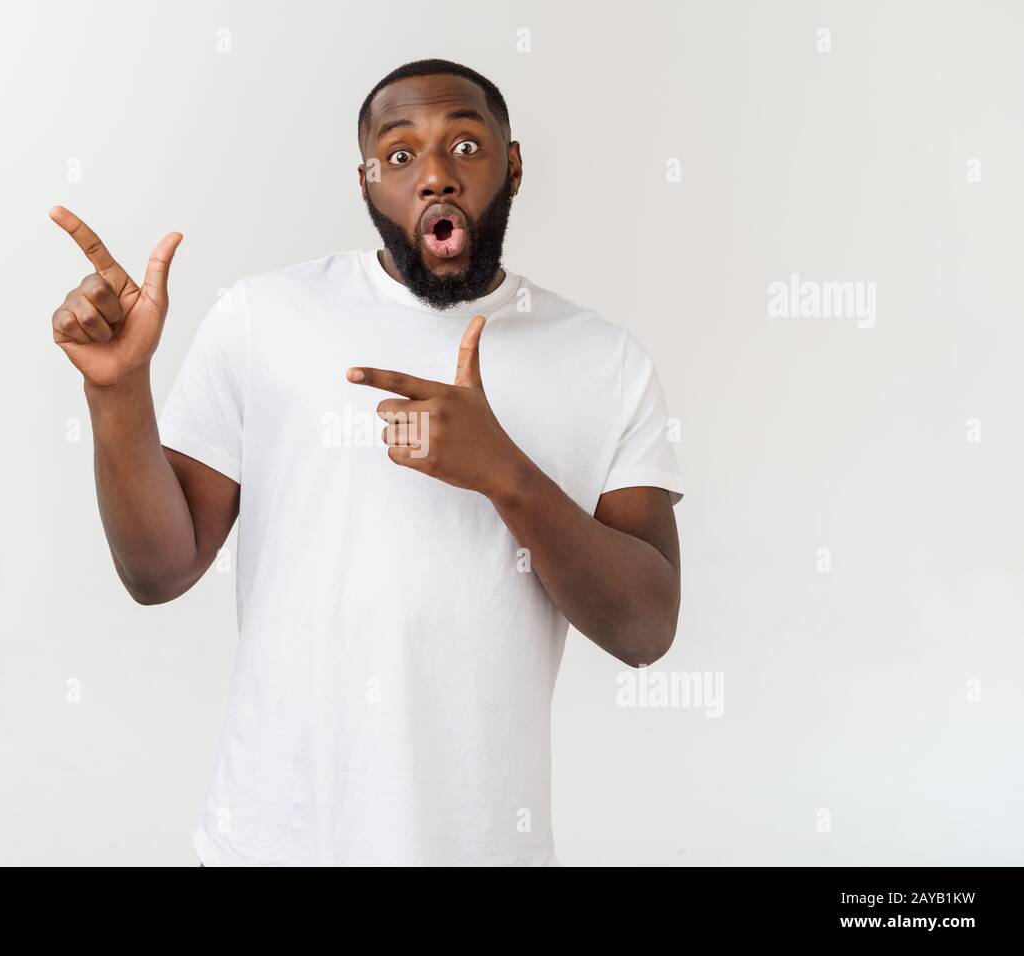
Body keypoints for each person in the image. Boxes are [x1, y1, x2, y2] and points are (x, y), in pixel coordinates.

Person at [47, 59, 684, 866]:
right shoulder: (263, 319)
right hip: (269, 843)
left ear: (513, 164)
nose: (435, 178)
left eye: (464, 144)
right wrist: (118, 394)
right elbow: (158, 572)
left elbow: (645, 629)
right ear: (365, 185)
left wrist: (504, 474)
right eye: (400, 156)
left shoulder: (605, 360)